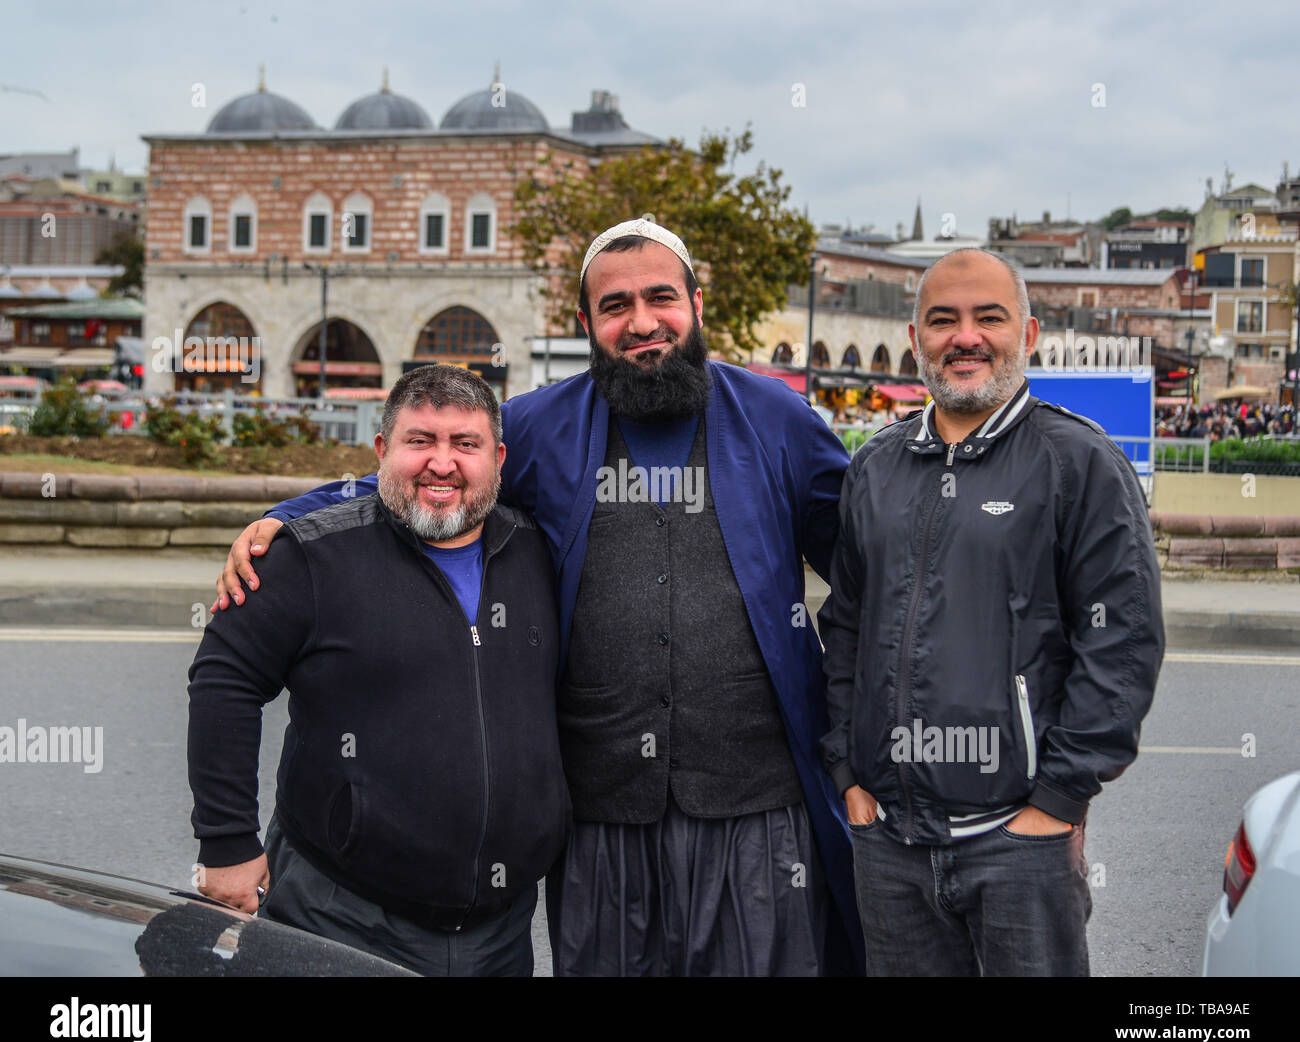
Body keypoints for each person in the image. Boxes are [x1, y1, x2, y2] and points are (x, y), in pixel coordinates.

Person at [213, 218, 864, 976]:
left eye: (661, 297)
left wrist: (852, 754)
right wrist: (282, 517)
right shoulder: (542, 424)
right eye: (615, 305)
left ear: (696, 300)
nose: (642, 321)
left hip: (760, 812)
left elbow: (866, 572)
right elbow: (427, 474)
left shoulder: (778, 418)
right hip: (601, 820)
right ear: (585, 323)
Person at [818, 248, 1165, 977]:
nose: (964, 336)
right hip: (890, 842)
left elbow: (1122, 642)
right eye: (942, 320)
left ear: (1029, 334)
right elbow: (845, 625)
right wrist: (849, 772)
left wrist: (1057, 802)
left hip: (1018, 846)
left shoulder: (1081, 462)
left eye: (989, 318)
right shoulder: (875, 467)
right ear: (916, 339)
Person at [188, 364, 568, 977]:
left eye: (464, 445)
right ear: (381, 450)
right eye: (420, 441)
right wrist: (226, 843)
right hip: (339, 914)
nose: (441, 464)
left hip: (499, 932)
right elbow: (223, 681)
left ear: (498, 458)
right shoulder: (309, 556)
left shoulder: (538, 551)